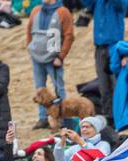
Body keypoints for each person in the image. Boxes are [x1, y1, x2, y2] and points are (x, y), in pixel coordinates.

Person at [25, 0, 74, 131]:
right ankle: (43, 118)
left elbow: (69, 36)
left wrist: (61, 56)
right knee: (39, 88)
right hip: (37, 57)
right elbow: (29, 30)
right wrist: (31, 47)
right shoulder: (36, 10)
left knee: (59, 89)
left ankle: (63, 117)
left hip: (54, 59)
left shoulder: (63, 12)